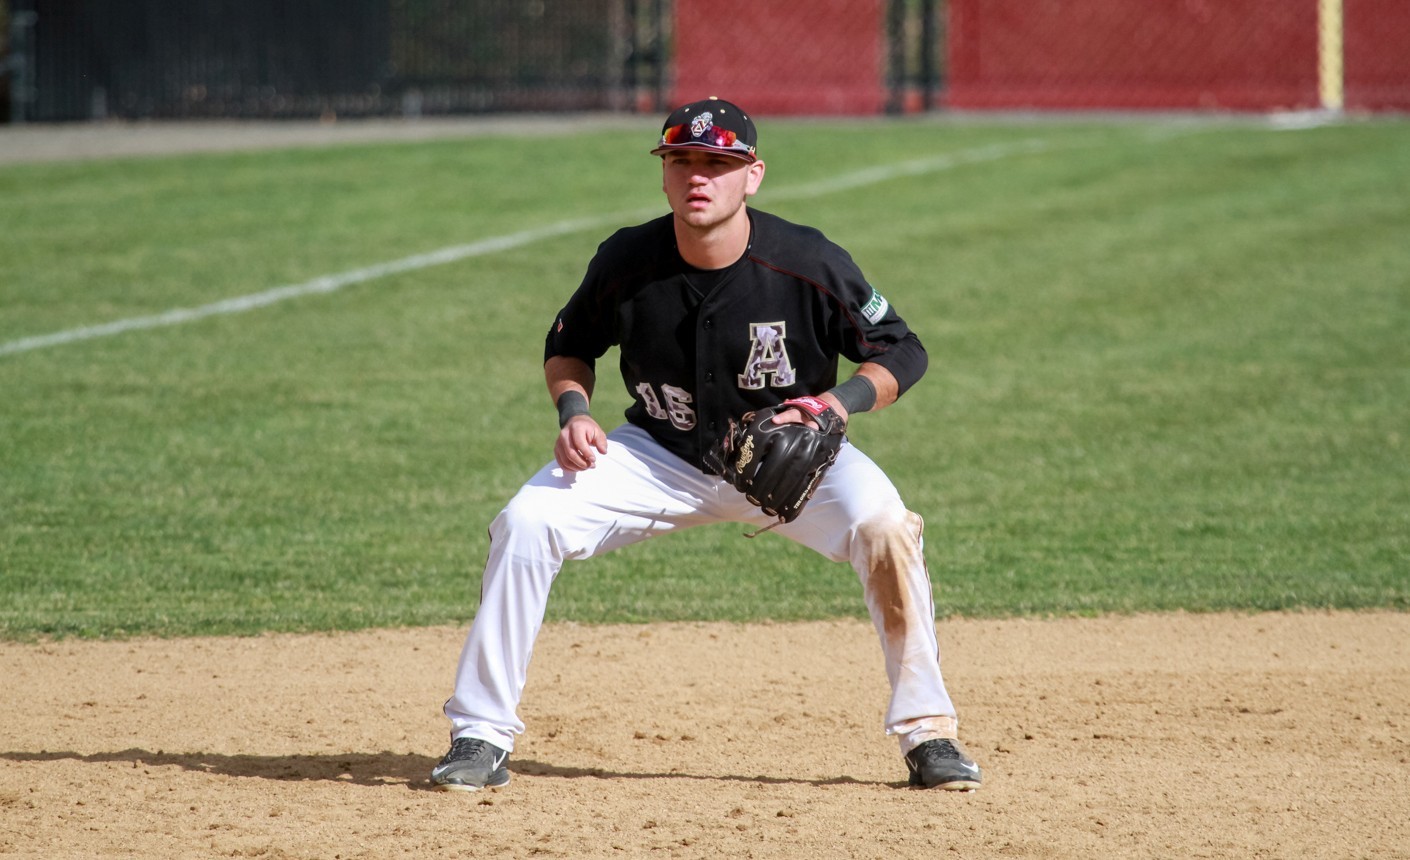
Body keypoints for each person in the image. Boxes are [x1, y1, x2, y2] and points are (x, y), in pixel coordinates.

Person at [432, 96, 982, 792]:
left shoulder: (807, 261)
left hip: (794, 458)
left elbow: (901, 350)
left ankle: (929, 734)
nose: (699, 176)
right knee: (526, 522)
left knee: (886, 527)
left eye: (718, 163)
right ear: (664, 174)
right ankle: (479, 735)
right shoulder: (627, 260)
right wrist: (574, 410)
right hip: (658, 456)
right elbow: (569, 348)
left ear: (751, 175)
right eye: (683, 161)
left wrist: (836, 406)